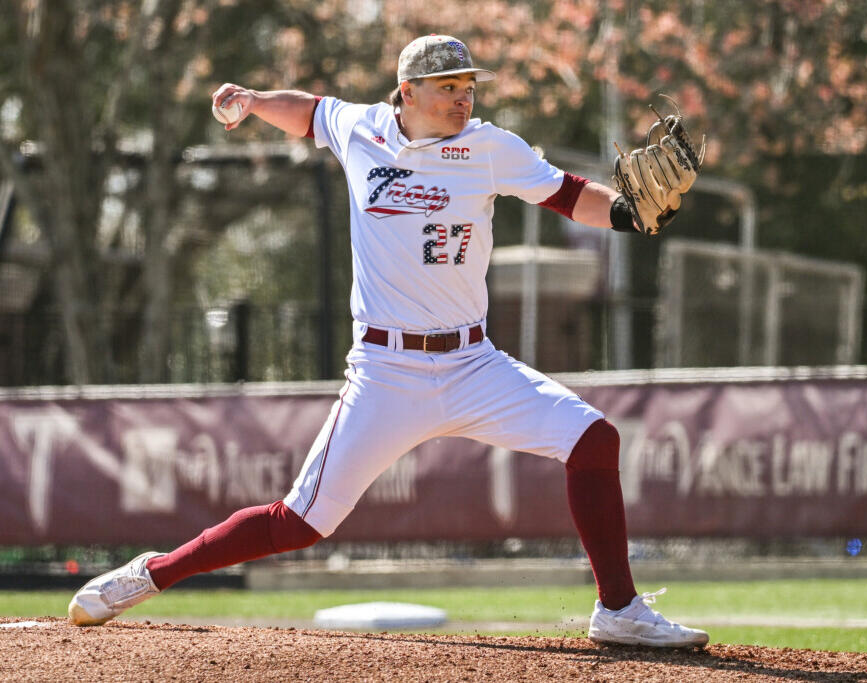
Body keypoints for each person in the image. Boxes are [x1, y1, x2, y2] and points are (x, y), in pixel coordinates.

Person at [68, 34, 707, 648]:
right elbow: (311, 113)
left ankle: (618, 609)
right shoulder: (363, 128)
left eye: (470, 87)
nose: (465, 99)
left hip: (472, 363)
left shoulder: (489, 147)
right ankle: (151, 573)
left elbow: (568, 196)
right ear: (408, 92)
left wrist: (626, 211)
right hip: (386, 370)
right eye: (449, 87)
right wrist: (259, 101)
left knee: (593, 439)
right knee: (300, 523)